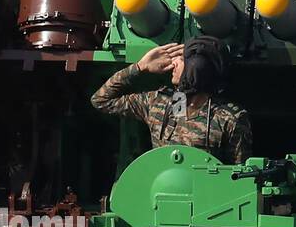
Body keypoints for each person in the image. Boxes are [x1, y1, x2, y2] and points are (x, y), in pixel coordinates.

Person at [90, 37, 251, 165]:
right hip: (161, 196)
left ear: (197, 67)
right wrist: (140, 66)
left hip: (205, 200)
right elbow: (100, 100)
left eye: (180, 59)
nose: (172, 63)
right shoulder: (159, 103)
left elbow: (238, 174)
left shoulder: (229, 117)